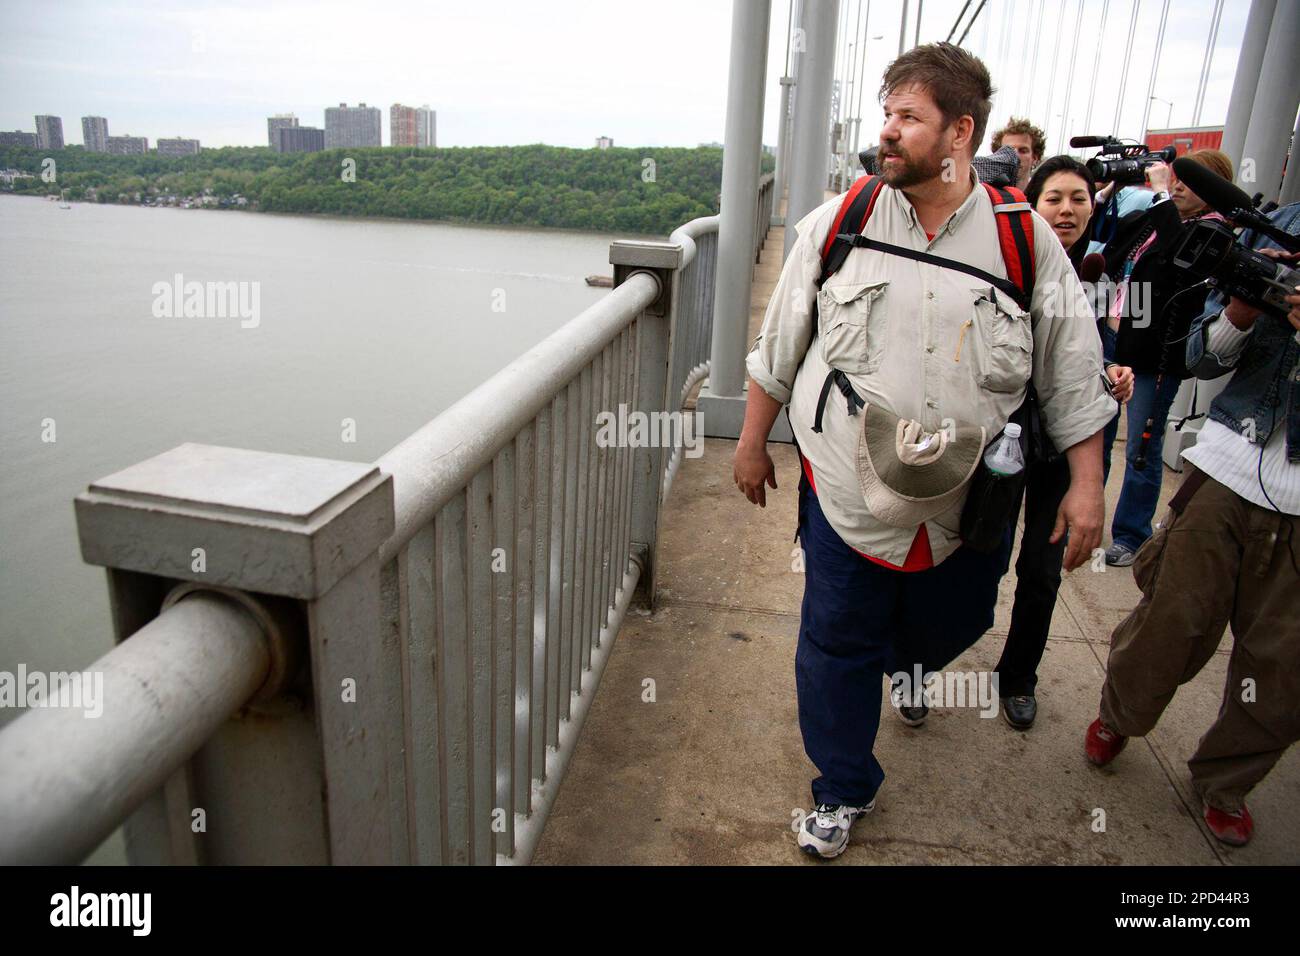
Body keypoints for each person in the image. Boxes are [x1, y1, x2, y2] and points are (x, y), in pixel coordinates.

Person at [734, 42, 1115, 859]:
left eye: (908, 118)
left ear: (960, 133)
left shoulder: (1025, 243)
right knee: (836, 639)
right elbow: (780, 340)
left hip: (966, 496)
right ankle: (842, 786)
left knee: (956, 620)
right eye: (887, 115)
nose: (888, 133)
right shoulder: (842, 220)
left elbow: (1075, 374)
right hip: (846, 487)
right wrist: (753, 441)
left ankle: (908, 664)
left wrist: (1088, 488)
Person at [1086, 201, 1300, 847]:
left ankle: (1226, 783)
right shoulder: (1282, 229)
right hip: (1226, 471)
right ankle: (1121, 714)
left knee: (1283, 666)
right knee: (1171, 621)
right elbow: (1199, 359)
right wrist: (1246, 308)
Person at [993, 156, 1134, 730]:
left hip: (1066, 440)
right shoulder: (1004, 260)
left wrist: (1118, 371)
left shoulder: (1103, 274)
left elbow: (1116, 344)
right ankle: (924, 666)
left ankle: (1018, 677)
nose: (1067, 209)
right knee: (977, 552)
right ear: (1033, 203)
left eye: (1078, 198)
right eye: (1054, 198)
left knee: (1043, 567)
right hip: (1004, 430)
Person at [1099, 148, 1234, 567]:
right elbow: (1116, 252)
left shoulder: (1213, 231)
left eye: (1188, 182)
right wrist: (1112, 188)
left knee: (1141, 446)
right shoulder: (1161, 222)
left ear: (1214, 191)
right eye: (1174, 178)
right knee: (1097, 437)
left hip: (1156, 357)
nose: (1175, 186)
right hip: (1122, 342)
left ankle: (1131, 534)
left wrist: (1159, 198)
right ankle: (1086, 512)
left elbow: (1182, 262)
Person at [990, 116, 1046, 190]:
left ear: (1035, 158)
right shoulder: (983, 195)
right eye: (1008, 150)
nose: (1015, 156)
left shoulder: (1041, 198)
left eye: (1023, 151)